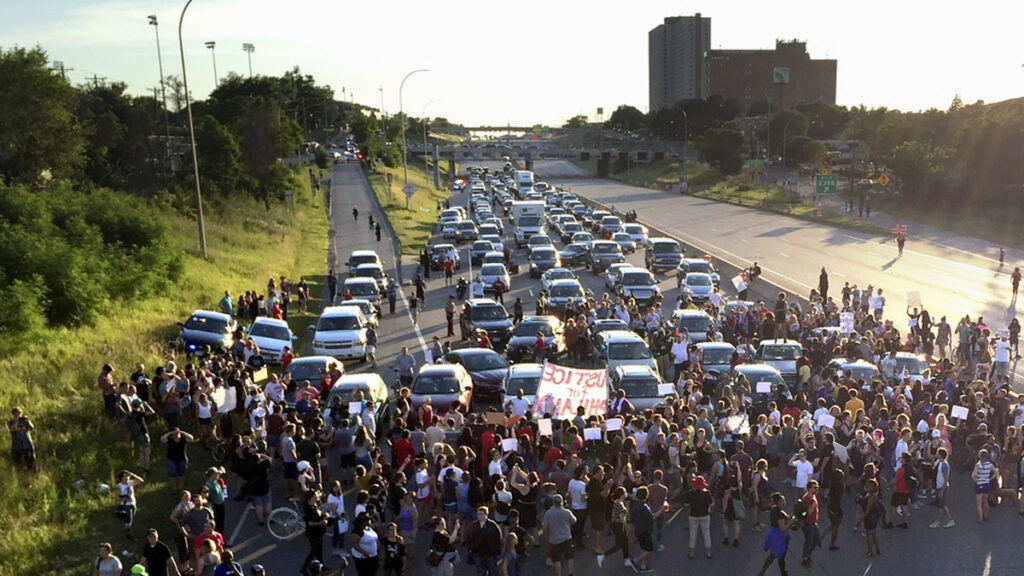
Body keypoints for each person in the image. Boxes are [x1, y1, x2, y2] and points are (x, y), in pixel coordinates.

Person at [542, 495, 576, 576]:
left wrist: (547, 535)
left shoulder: (548, 513)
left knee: (556, 559)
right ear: (562, 502)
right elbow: (574, 520)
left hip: (554, 540)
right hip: (567, 538)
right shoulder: (567, 512)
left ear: (553, 502)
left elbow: (545, 528)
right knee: (569, 557)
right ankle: (570, 573)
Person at [466, 506, 502, 576]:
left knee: (493, 572)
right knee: (480, 572)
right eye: (478, 514)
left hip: (490, 553)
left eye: (481, 514)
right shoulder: (474, 526)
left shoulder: (492, 526)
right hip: (478, 553)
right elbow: (468, 538)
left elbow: (498, 539)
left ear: (486, 515)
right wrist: (470, 549)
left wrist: (497, 552)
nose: (479, 516)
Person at [302, 489, 329, 574]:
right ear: (310, 499)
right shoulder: (309, 510)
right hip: (313, 534)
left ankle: (321, 566)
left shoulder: (314, 505)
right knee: (314, 552)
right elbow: (310, 523)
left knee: (319, 551)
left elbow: (318, 514)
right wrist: (322, 522)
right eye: (315, 496)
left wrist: (324, 515)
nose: (317, 497)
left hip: (318, 532)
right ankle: (303, 568)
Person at [686, 476, 713, 560]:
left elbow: (686, 504)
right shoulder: (707, 493)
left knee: (693, 533)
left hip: (693, 515)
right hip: (705, 515)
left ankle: (691, 553)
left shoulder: (691, 493)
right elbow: (711, 504)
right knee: (706, 533)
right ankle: (708, 552)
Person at [115, 470, 144, 540]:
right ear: (121, 478)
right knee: (128, 521)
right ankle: (129, 535)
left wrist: (132, 474)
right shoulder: (119, 486)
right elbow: (116, 498)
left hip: (132, 504)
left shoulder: (130, 483)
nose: (126, 478)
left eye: (127, 476)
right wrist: (125, 499)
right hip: (126, 506)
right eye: (124, 476)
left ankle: (128, 532)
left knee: (130, 519)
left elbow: (141, 481)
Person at [930, 447, 954, 528]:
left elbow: (946, 479)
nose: (936, 454)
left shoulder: (944, 465)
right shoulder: (940, 462)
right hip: (939, 486)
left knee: (941, 506)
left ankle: (938, 522)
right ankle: (950, 520)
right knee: (943, 505)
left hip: (942, 487)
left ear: (940, 455)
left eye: (937, 453)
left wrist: (942, 492)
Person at [799, 480, 821, 566]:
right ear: (809, 489)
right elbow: (809, 513)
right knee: (809, 541)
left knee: (816, 540)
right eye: (815, 487)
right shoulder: (807, 499)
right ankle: (805, 558)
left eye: (817, 487)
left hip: (813, 522)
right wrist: (813, 503)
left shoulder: (813, 496)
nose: (817, 489)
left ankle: (807, 555)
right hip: (808, 524)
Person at [972, 448, 997, 523]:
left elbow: (973, 475)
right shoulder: (990, 464)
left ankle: (980, 518)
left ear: (980, 456)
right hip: (986, 484)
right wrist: (989, 479)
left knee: (979, 503)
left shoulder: (978, 465)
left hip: (980, 484)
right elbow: (996, 473)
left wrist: (977, 480)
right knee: (985, 500)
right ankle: (985, 516)